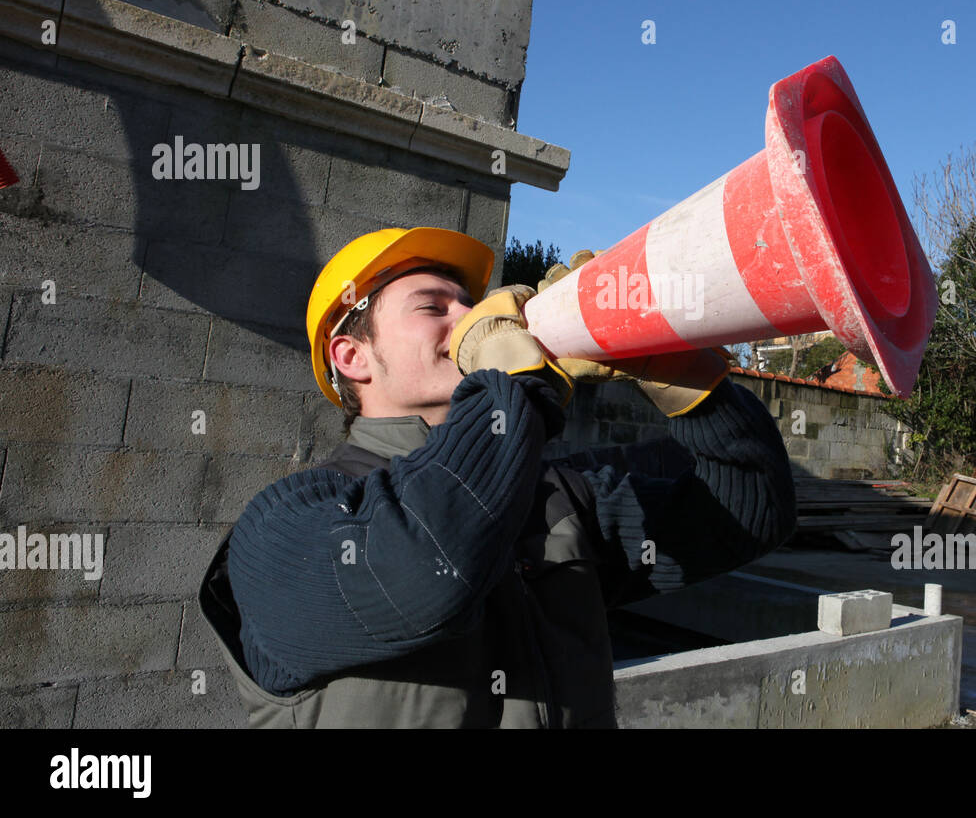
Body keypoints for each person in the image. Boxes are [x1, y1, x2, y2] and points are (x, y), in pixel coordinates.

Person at [199, 226, 797, 728]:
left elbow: (749, 513)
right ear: (352, 356)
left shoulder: (557, 498)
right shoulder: (282, 526)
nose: (469, 318)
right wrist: (513, 385)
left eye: (470, 303)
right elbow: (429, 567)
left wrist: (678, 370)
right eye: (434, 306)